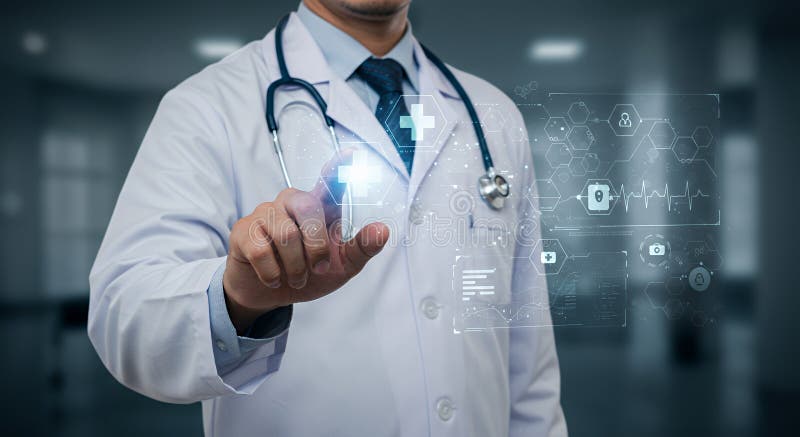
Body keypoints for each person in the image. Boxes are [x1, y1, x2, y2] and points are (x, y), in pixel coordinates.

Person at [88, 0, 567, 435]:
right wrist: (238, 297)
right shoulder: (207, 106)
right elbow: (124, 316)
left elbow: (530, 367)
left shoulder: (492, 117)